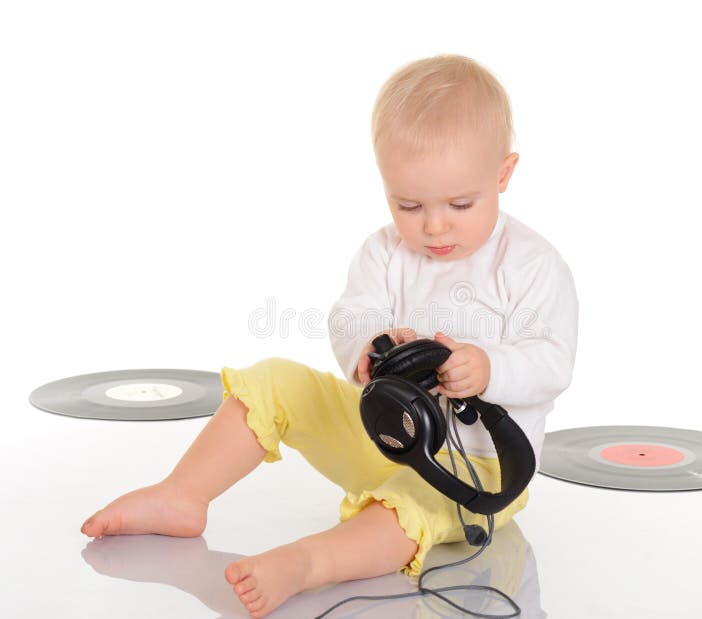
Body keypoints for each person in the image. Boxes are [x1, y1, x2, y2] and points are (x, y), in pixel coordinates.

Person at [80, 54, 579, 618]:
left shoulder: (532, 266)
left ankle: (309, 564)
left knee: (406, 508)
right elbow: (350, 317)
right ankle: (182, 493)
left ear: (503, 174)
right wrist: (369, 346)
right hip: (385, 432)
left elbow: (553, 361)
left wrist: (490, 369)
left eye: (461, 204)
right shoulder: (385, 252)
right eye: (408, 204)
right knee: (274, 381)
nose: (434, 226)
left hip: (478, 469)